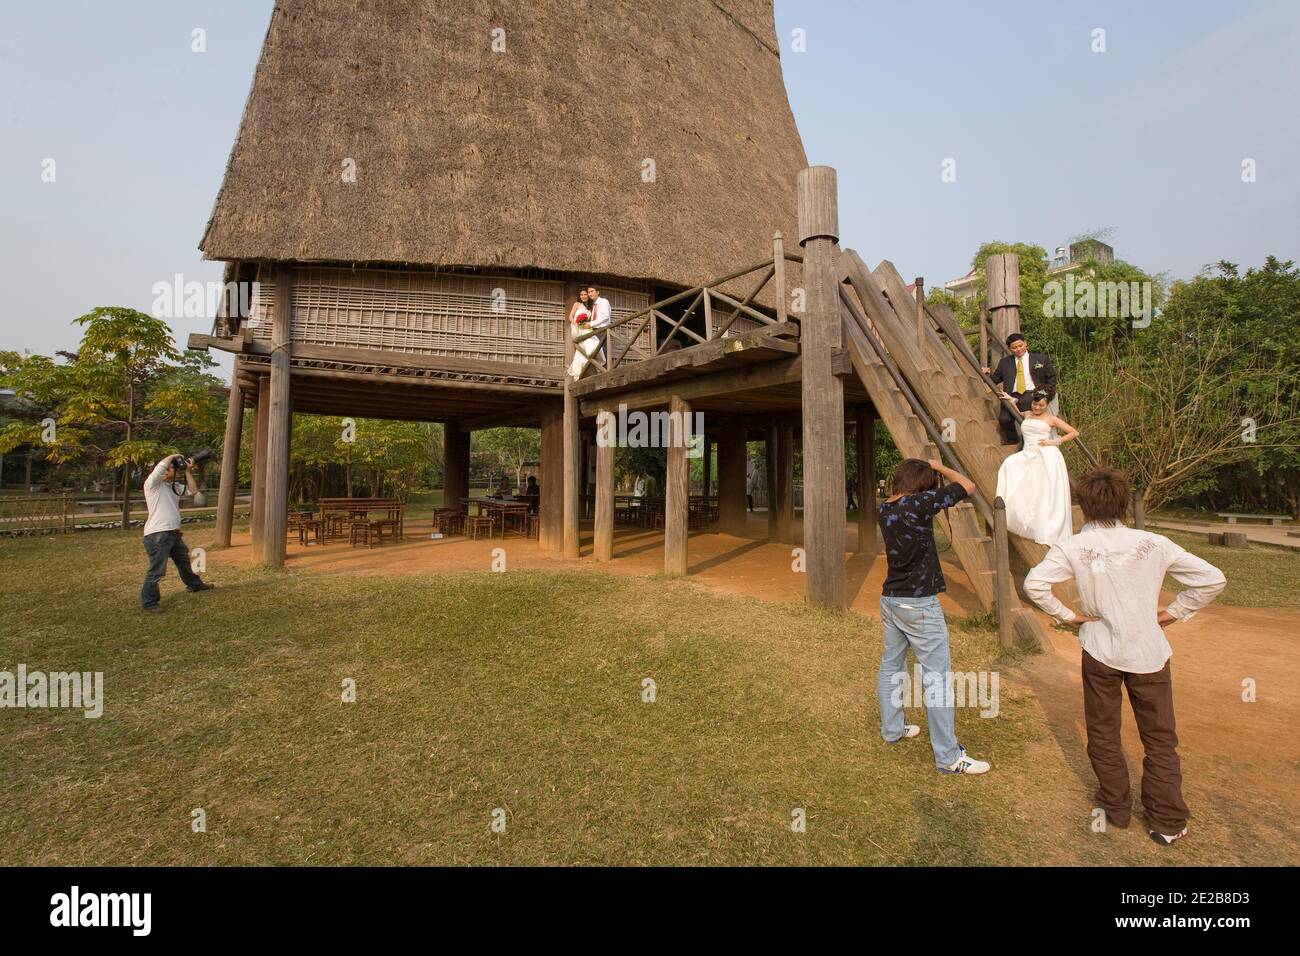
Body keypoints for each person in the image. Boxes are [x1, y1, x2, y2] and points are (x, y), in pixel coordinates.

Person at [1024, 468, 1226, 845]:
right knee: (1160, 738)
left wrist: (1069, 616)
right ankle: (1167, 819)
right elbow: (1212, 578)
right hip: (1150, 652)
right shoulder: (1154, 542)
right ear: (1123, 504)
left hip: (1100, 650)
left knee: (1103, 732)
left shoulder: (1072, 547)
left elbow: (1034, 584)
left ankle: (1115, 807)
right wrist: (1172, 613)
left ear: (1084, 506)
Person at [876, 457, 991, 775]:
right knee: (937, 677)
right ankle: (948, 756)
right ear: (924, 483)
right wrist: (939, 466)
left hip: (891, 599)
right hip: (919, 604)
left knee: (890, 666)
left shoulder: (885, 507)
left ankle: (893, 730)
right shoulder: (922, 503)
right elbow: (967, 485)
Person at [995, 389, 1078, 546]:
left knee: (1043, 490)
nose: (1037, 408)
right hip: (1027, 452)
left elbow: (1074, 432)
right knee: (1009, 465)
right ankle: (1011, 511)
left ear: (1046, 405)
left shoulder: (1051, 419)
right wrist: (1010, 399)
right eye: (1035, 404)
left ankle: (1046, 526)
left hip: (1044, 454)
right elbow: (1017, 411)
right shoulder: (1027, 414)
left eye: (1041, 405)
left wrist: (1054, 441)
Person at [141, 455, 213, 612]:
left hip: (172, 533)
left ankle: (195, 585)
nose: (175, 469)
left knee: (184, 562)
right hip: (158, 534)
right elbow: (160, 467)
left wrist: (188, 471)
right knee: (156, 571)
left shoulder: (173, 487)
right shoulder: (152, 484)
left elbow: (193, 491)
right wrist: (174, 456)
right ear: (165, 471)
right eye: (173, 467)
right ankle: (149, 602)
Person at [984, 333, 1056, 445]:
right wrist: (986, 374)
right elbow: (995, 379)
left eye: (1020, 345)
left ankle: (1029, 444)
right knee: (1004, 419)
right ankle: (1013, 440)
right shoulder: (1004, 363)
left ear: (1026, 343)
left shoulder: (1041, 359)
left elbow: (1051, 379)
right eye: (1014, 347)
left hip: (1033, 395)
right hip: (1011, 396)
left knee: (1031, 423)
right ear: (1010, 349)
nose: (1018, 349)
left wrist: (1044, 396)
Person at [566, 289, 599, 379]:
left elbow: (591, 321)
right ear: (579, 296)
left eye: (585, 294)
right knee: (590, 341)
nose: (583, 296)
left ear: (588, 296)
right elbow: (570, 316)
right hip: (576, 327)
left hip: (584, 327)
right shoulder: (577, 304)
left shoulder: (590, 308)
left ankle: (584, 362)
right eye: (581, 295)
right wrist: (575, 323)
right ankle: (587, 359)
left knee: (594, 341)